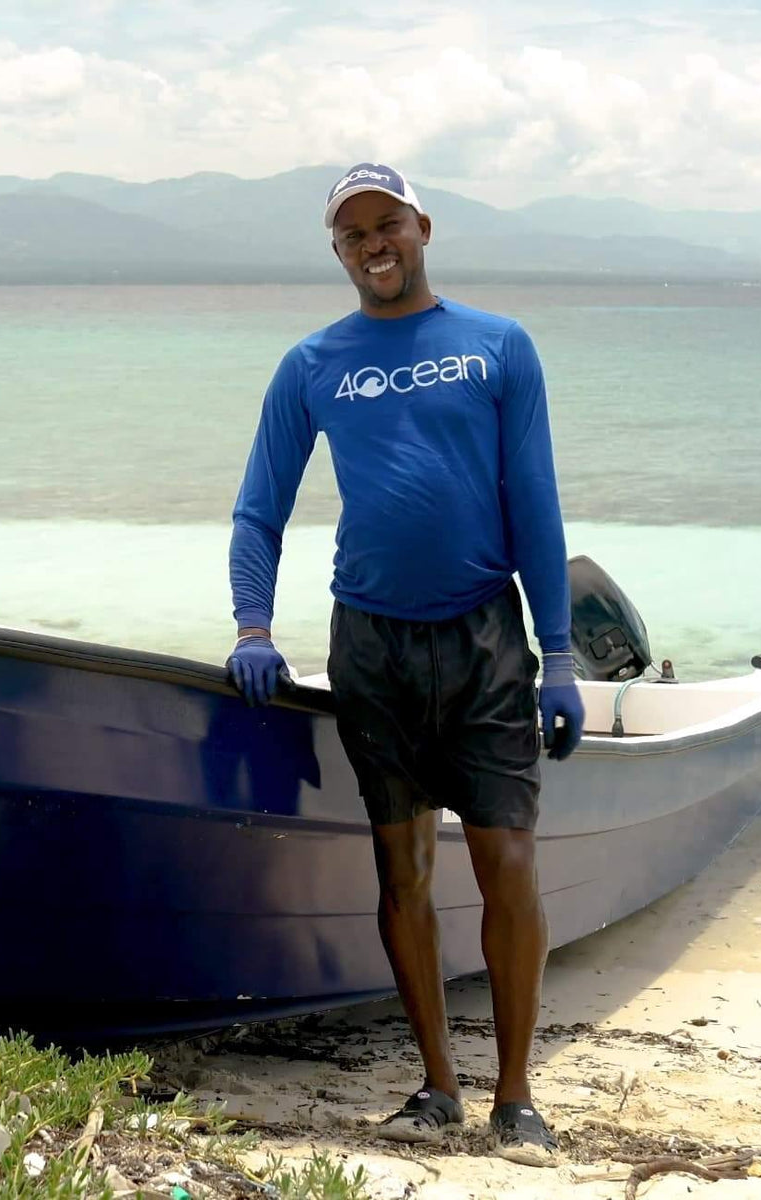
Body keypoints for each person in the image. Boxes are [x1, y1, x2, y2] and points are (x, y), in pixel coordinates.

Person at [226, 162, 585, 1165]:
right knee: (403, 870)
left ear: (422, 225)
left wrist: (556, 652)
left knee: (505, 857)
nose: (373, 245)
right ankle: (437, 1088)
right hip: (371, 643)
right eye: (352, 235)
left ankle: (516, 1099)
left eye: (388, 225)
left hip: (481, 637)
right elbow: (260, 507)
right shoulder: (312, 363)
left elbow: (535, 503)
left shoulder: (498, 345)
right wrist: (254, 629)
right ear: (337, 252)